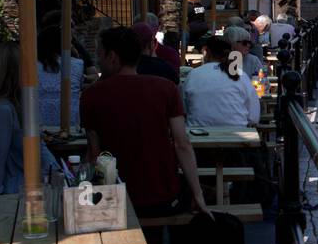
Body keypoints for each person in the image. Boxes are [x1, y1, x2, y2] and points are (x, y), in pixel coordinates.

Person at [80, 26, 210, 220]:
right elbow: (182, 144)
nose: (98, 61)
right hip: (164, 195)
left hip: (115, 196)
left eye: (100, 54)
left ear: (112, 57)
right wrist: (198, 194)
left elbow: (94, 153)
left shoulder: (91, 95)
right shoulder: (166, 88)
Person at [0, 41, 54, 195]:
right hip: (14, 196)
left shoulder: (20, 106)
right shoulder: (1, 111)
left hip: (26, 191)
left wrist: (58, 176)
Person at [182, 37, 261, 129]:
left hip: (198, 133)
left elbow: (184, 107)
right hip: (236, 133)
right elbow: (253, 116)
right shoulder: (241, 75)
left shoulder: (193, 74)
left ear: (206, 53)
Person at [36, 24, 84, 130]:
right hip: (71, 127)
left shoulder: (31, 66)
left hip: (38, 127)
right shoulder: (77, 64)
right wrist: (76, 56)